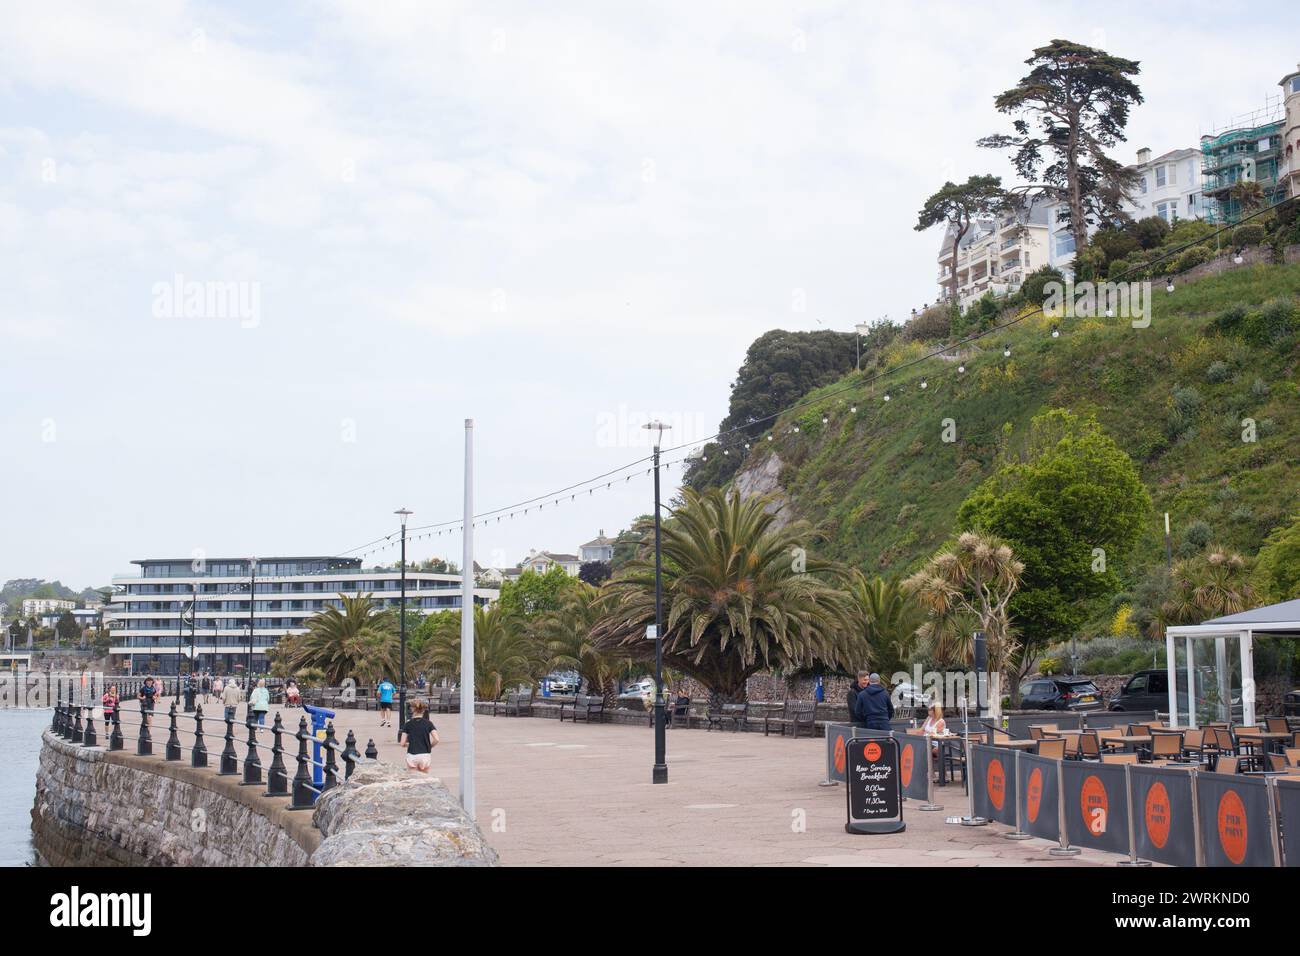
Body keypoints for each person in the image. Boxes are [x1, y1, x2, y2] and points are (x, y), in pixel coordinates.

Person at [399, 699, 439, 774]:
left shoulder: (408, 724)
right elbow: (436, 739)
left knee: (413, 780)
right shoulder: (428, 723)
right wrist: (429, 746)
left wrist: (407, 744)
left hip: (412, 754)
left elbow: (402, 743)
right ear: (423, 710)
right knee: (424, 780)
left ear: (412, 709)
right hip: (425, 755)